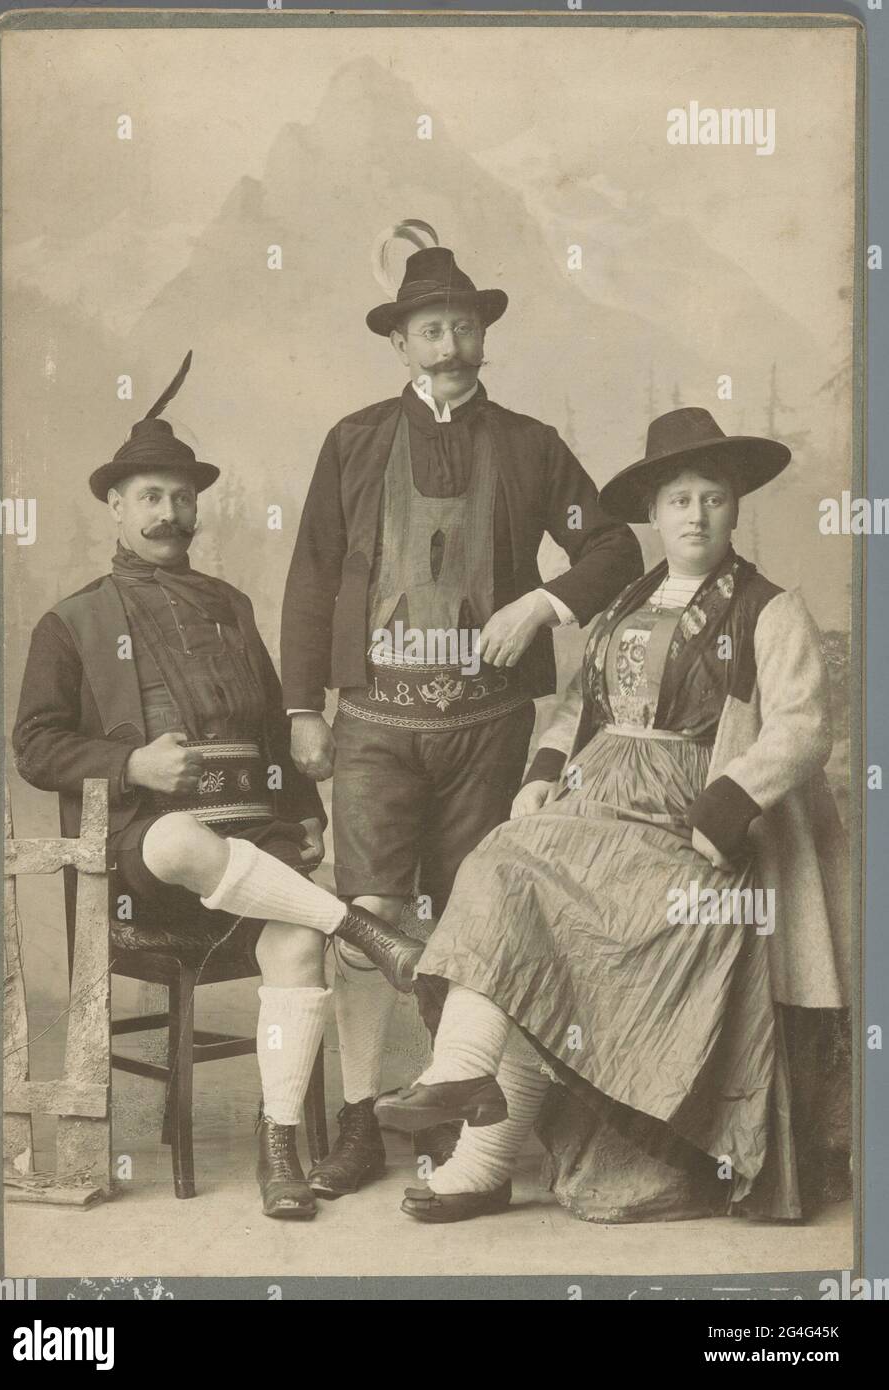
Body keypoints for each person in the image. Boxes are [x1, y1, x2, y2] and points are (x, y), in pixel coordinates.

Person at [376, 405, 850, 1224]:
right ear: (655, 515)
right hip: (594, 801)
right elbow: (577, 705)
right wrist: (544, 772)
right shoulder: (628, 599)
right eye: (678, 500)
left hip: (689, 820)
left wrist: (728, 804)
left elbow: (803, 725)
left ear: (735, 507)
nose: (695, 515)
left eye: (711, 498)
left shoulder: (767, 608)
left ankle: (477, 1120)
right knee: (501, 862)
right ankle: (466, 1089)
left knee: (527, 889)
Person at [11, 352, 423, 1222]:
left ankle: (280, 1153)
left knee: (295, 948)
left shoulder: (232, 605)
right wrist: (131, 766)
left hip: (253, 844)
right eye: (150, 497)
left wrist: (304, 815)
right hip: (142, 859)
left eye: (181, 496)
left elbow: (275, 725)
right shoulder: (74, 621)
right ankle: (355, 922)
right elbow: (35, 747)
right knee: (173, 840)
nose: (169, 513)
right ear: (115, 507)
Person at [280, 246, 643, 1197]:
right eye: (431, 328)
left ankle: (456, 1114)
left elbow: (614, 545)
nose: (452, 344)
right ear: (399, 342)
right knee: (370, 918)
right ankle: (361, 1118)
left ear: (485, 337)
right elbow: (313, 576)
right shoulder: (352, 440)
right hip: (372, 722)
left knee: (474, 920)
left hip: (489, 724)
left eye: (466, 326)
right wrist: (299, 706)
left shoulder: (531, 445)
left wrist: (545, 605)